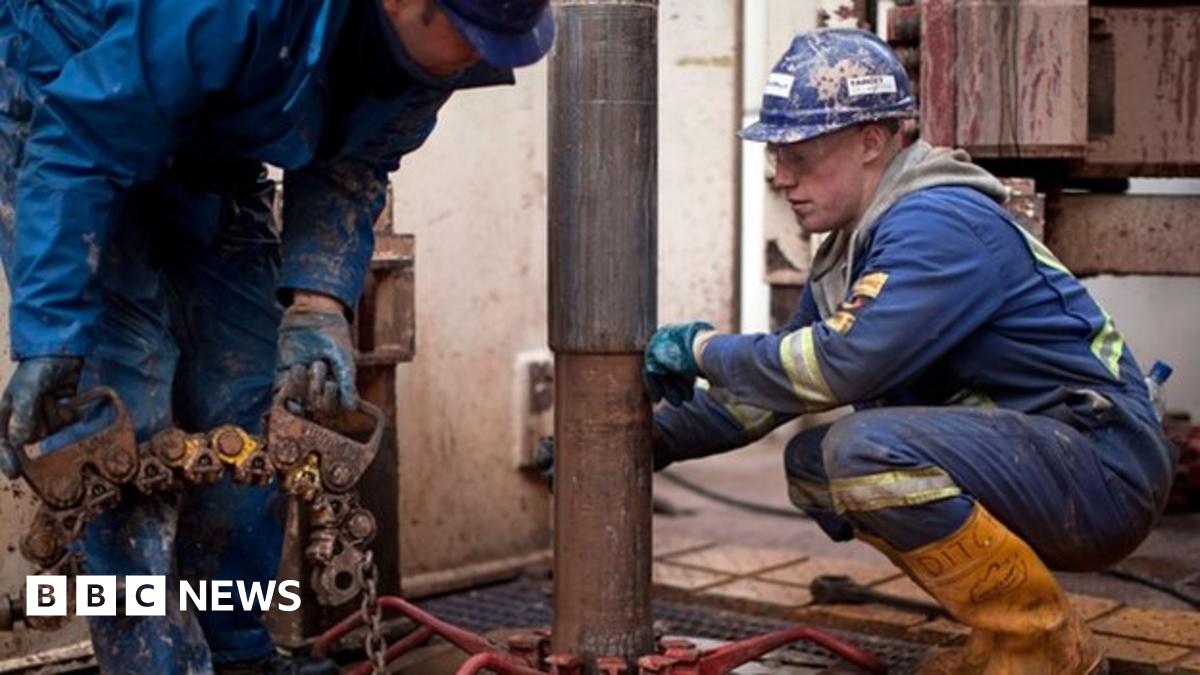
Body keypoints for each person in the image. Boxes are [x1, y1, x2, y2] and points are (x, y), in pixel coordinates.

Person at [0, 0, 553, 671]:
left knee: (251, 396)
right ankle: (153, 663)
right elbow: (80, 140)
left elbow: (356, 160)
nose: (483, 55)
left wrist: (318, 304)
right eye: (469, 37)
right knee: (123, 417)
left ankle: (237, 650)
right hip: (74, 105)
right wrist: (53, 332)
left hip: (209, 151)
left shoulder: (437, 61)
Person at [643, 29, 1175, 675]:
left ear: (873, 140)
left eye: (802, 155)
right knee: (814, 462)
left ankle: (1041, 649)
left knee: (862, 453)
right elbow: (773, 391)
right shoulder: (852, 246)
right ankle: (1004, 637)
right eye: (777, 156)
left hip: (1102, 467)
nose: (782, 178)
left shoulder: (939, 223)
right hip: (1042, 457)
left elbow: (841, 364)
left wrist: (701, 348)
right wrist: (648, 440)